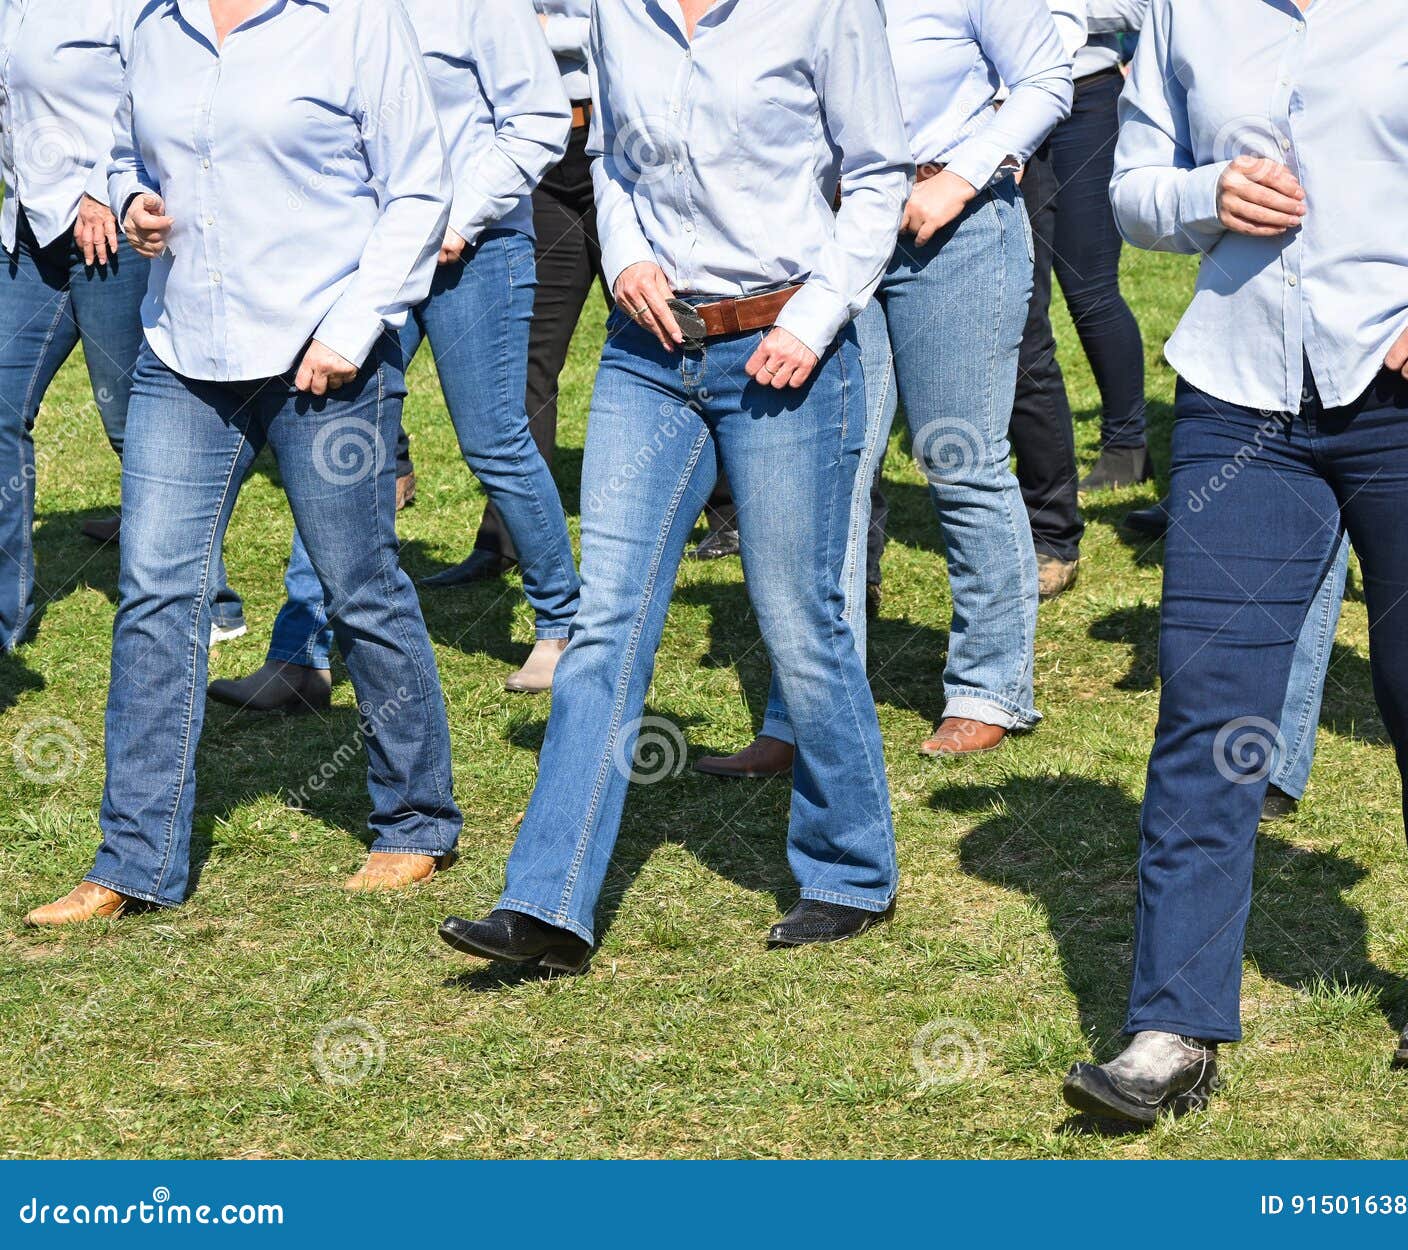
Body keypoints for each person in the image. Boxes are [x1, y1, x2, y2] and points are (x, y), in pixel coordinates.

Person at [1062, 0, 1408, 1125]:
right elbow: (1129, 189)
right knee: (1208, 698)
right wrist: (1201, 197)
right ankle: (1171, 1023)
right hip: (1244, 397)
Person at [437, 0, 912, 970]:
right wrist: (626, 256)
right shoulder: (619, 10)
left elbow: (878, 178)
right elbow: (609, 159)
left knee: (796, 614)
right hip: (647, 355)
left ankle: (849, 868)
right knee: (604, 619)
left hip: (788, 349)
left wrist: (813, 320)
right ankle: (548, 905)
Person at [24, 0, 462, 926]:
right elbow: (121, 152)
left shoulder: (353, 22)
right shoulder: (150, 24)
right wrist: (135, 201)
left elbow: (420, 191)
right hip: (184, 355)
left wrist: (351, 331)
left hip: (324, 354)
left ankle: (416, 821)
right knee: (155, 592)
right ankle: (134, 860)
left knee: (359, 583)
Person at [693, 0, 1074, 783]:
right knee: (829, 466)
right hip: (827, 240)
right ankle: (804, 709)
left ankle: (988, 686)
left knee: (958, 453)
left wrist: (962, 176)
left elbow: (1046, 78)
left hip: (954, 226)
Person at [205, 0, 580, 713]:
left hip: (478, 248)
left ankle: (565, 627)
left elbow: (537, 119)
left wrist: (458, 216)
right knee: (331, 436)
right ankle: (300, 658)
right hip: (367, 252)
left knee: (494, 438)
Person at [0, 0, 244, 652]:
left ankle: (210, 599)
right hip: (27, 239)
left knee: (132, 423)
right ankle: (6, 613)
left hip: (104, 231)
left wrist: (93, 186)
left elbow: (157, 89)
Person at [425, 0, 608, 596]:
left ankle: (727, 509)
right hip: (535, 162)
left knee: (664, 338)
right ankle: (505, 540)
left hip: (631, 151)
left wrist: (551, 32)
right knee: (528, 355)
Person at [1014, 0, 1151, 529]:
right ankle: (1030, 454)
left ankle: (1126, 442)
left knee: (1088, 286)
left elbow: (1144, 9)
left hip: (1082, 102)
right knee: (1021, 299)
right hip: (997, 110)